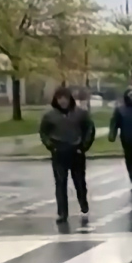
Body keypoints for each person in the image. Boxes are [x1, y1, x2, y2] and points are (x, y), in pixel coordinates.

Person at [39, 87, 95, 222]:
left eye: (65, 98)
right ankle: (62, 213)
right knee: (60, 183)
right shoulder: (49, 116)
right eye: (59, 99)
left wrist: (84, 146)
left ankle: (83, 204)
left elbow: (90, 129)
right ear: (56, 100)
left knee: (79, 181)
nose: (62, 101)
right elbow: (43, 133)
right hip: (59, 152)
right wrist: (51, 146)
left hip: (76, 151)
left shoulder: (80, 114)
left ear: (70, 99)